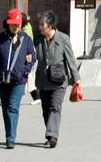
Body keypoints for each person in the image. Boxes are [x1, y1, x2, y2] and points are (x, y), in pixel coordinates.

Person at [0, 8, 35, 149]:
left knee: (12, 107)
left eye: (18, 24)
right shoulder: (0, 39)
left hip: (19, 80)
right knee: (5, 108)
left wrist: (25, 70)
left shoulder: (26, 40)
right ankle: (9, 133)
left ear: (22, 23)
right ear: (7, 24)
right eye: (12, 24)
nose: (15, 26)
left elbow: (33, 58)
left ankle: (10, 138)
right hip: (3, 79)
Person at [32, 10, 81, 148]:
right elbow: (32, 55)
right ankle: (50, 134)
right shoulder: (38, 39)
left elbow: (71, 59)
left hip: (59, 80)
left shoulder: (63, 38)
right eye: (39, 24)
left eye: (43, 25)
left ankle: (52, 135)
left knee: (55, 107)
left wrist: (76, 78)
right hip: (42, 80)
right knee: (45, 109)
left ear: (51, 25)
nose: (40, 27)